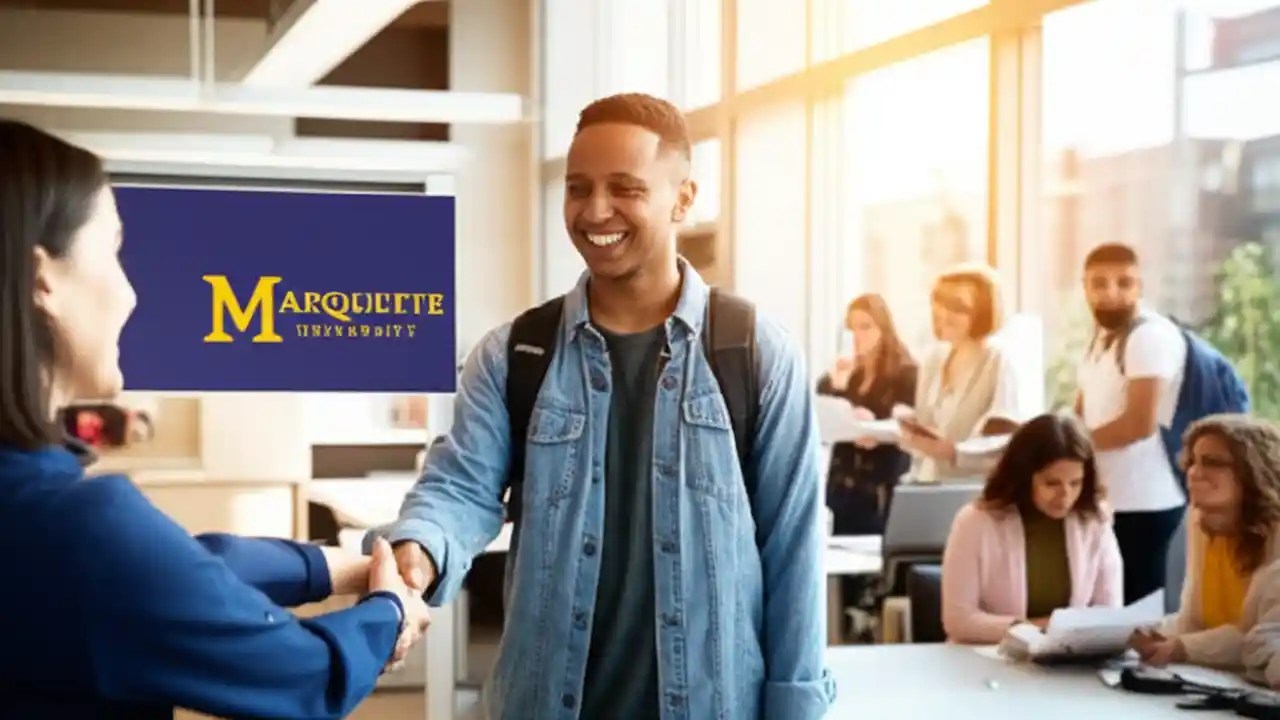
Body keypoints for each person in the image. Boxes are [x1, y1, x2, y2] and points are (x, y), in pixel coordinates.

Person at [382, 93, 834, 719]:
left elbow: (795, 549)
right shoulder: (515, 354)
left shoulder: (755, 354)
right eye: (578, 188)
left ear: (682, 197)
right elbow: (460, 488)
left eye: (625, 188)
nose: (595, 211)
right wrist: (421, 549)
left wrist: (797, 709)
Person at [0, 119, 430, 719]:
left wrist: (341, 568)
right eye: (112, 251)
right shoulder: (77, 529)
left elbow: (175, 569)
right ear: (42, 278)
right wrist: (389, 612)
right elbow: (306, 675)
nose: (130, 293)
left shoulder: (40, 516)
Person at [941, 413, 1123, 644]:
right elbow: (959, 621)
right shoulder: (975, 522)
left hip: (1068, 661)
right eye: (1051, 483)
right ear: (1024, 477)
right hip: (986, 661)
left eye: (1075, 483)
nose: (1065, 496)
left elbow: (1109, 613)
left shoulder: (1095, 520)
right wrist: (1040, 629)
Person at [1075, 243, 1187, 605]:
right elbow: (1083, 411)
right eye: (1100, 283)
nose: (1111, 293)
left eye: (1124, 283)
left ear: (1140, 286)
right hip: (1112, 502)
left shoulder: (1149, 336)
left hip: (1145, 505)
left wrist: (1073, 445)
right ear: (1085, 287)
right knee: (1107, 618)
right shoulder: (1100, 338)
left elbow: (1139, 424)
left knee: (1138, 622)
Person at [1131, 415, 1280, 669]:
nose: (1194, 473)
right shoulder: (1198, 519)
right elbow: (1193, 622)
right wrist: (1154, 634)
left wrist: (1182, 647)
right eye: (1192, 462)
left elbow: (1257, 639)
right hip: (1213, 676)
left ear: (1253, 471)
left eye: (1212, 462)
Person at [900, 263, 1025, 482]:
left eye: (957, 307)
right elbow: (926, 426)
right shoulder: (933, 360)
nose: (942, 313)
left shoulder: (999, 361)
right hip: (930, 483)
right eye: (939, 302)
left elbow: (1006, 441)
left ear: (983, 312)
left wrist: (953, 452)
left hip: (978, 489)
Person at [816, 293, 917, 535]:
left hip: (882, 479)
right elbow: (823, 413)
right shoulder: (849, 373)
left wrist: (875, 425)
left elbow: (911, 422)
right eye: (852, 328)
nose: (858, 336)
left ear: (883, 328)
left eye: (866, 327)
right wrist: (838, 385)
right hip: (845, 482)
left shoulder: (906, 373)